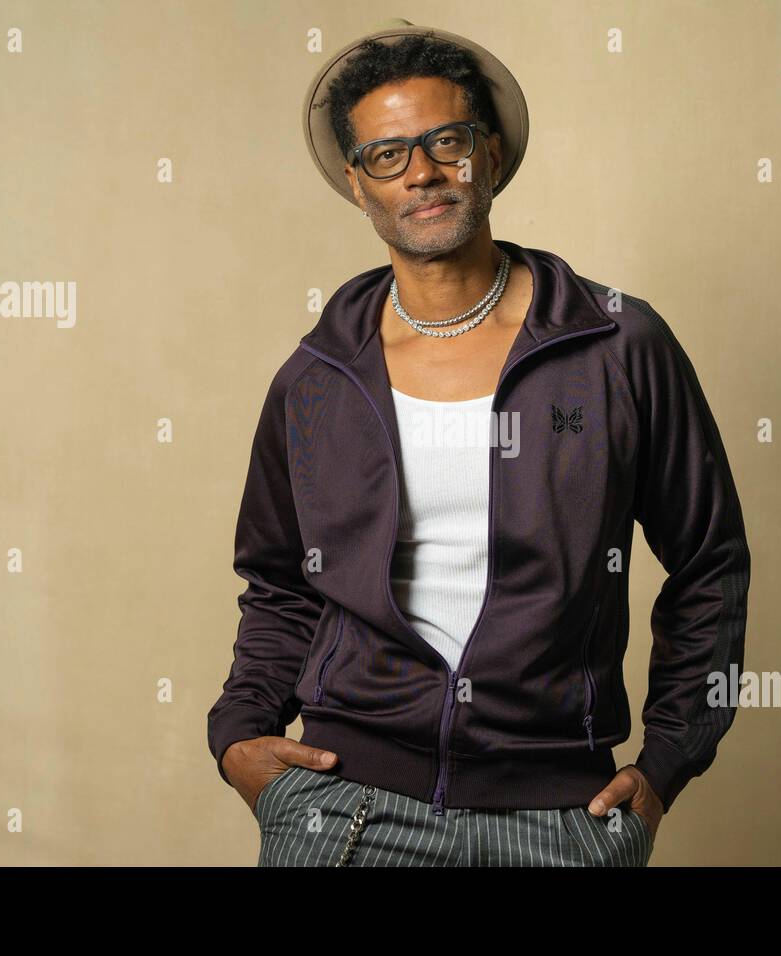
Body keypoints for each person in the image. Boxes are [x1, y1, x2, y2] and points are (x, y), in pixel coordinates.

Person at [207, 20, 751, 867]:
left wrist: (667, 763)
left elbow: (710, 561)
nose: (420, 171)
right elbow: (279, 583)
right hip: (346, 808)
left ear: (489, 155)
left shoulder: (615, 344)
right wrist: (241, 733)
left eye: (445, 142)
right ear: (358, 184)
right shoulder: (318, 376)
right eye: (387, 155)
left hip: (561, 816)